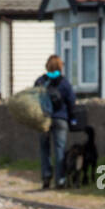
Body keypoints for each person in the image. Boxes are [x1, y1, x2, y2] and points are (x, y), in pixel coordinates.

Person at [34, 55, 76, 189]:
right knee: (59, 150)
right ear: (60, 66)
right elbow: (71, 102)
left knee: (44, 149)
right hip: (60, 118)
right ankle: (60, 180)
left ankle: (46, 178)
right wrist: (72, 118)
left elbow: (33, 99)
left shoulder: (40, 81)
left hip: (44, 119)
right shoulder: (64, 83)